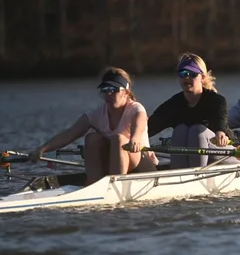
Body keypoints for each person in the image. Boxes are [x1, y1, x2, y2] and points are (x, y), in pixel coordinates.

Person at [29, 67, 157, 184]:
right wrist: (42, 149)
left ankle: (116, 186)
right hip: (115, 165)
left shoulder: (136, 109)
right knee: (91, 138)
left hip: (142, 166)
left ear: (126, 92)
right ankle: (93, 184)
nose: (109, 94)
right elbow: (69, 134)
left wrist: (134, 139)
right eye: (105, 90)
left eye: (114, 90)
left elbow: (138, 125)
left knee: (119, 139)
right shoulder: (96, 114)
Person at [148, 53, 230, 168]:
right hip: (197, 154)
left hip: (224, 153)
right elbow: (149, 127)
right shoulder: (174, 104)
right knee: (180, 130)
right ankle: (180, 176)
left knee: (197, 130)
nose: (186, 77)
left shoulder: (216, 100)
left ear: (202, 77)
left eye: (192, 74)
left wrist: (220, 132)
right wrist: (132, 137)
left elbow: (220, 121)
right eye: (183, 73)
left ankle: (196, 177)